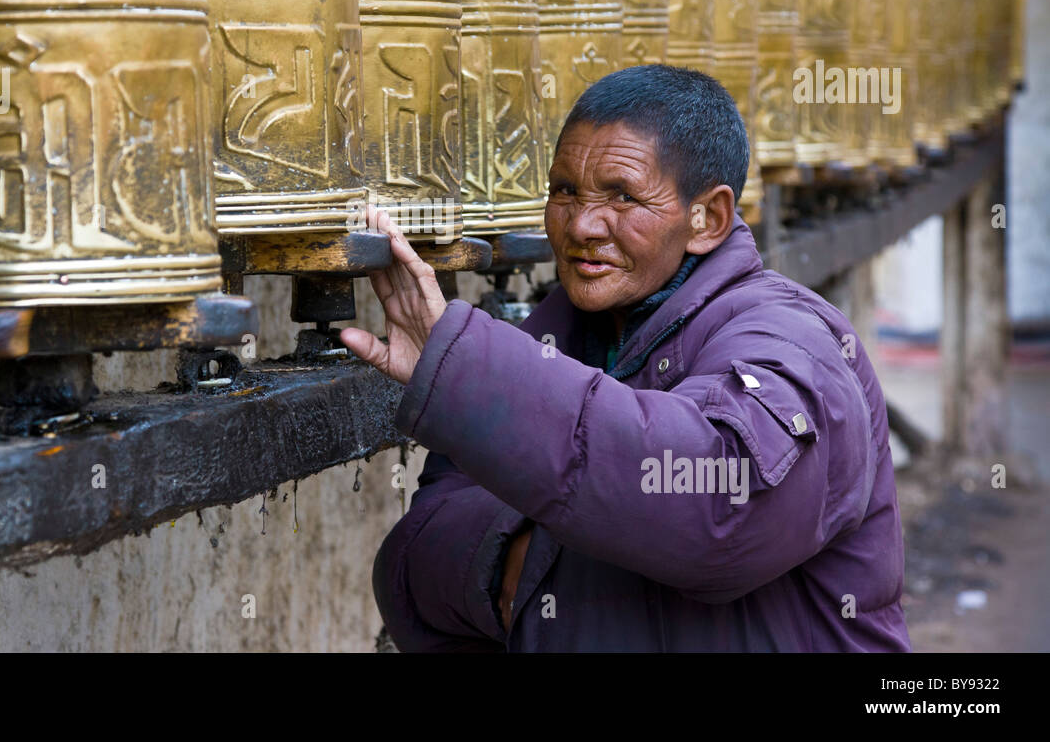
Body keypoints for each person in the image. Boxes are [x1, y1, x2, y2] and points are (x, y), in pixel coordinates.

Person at [338, 64, 911, 652]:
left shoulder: (792, 339)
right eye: (564, 191)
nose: (582, 225)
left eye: (623, 195)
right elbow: (412, 562)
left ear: (707, 218)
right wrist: (517, 568)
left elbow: (720, 512)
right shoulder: (549, 341)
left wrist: (544, 554)